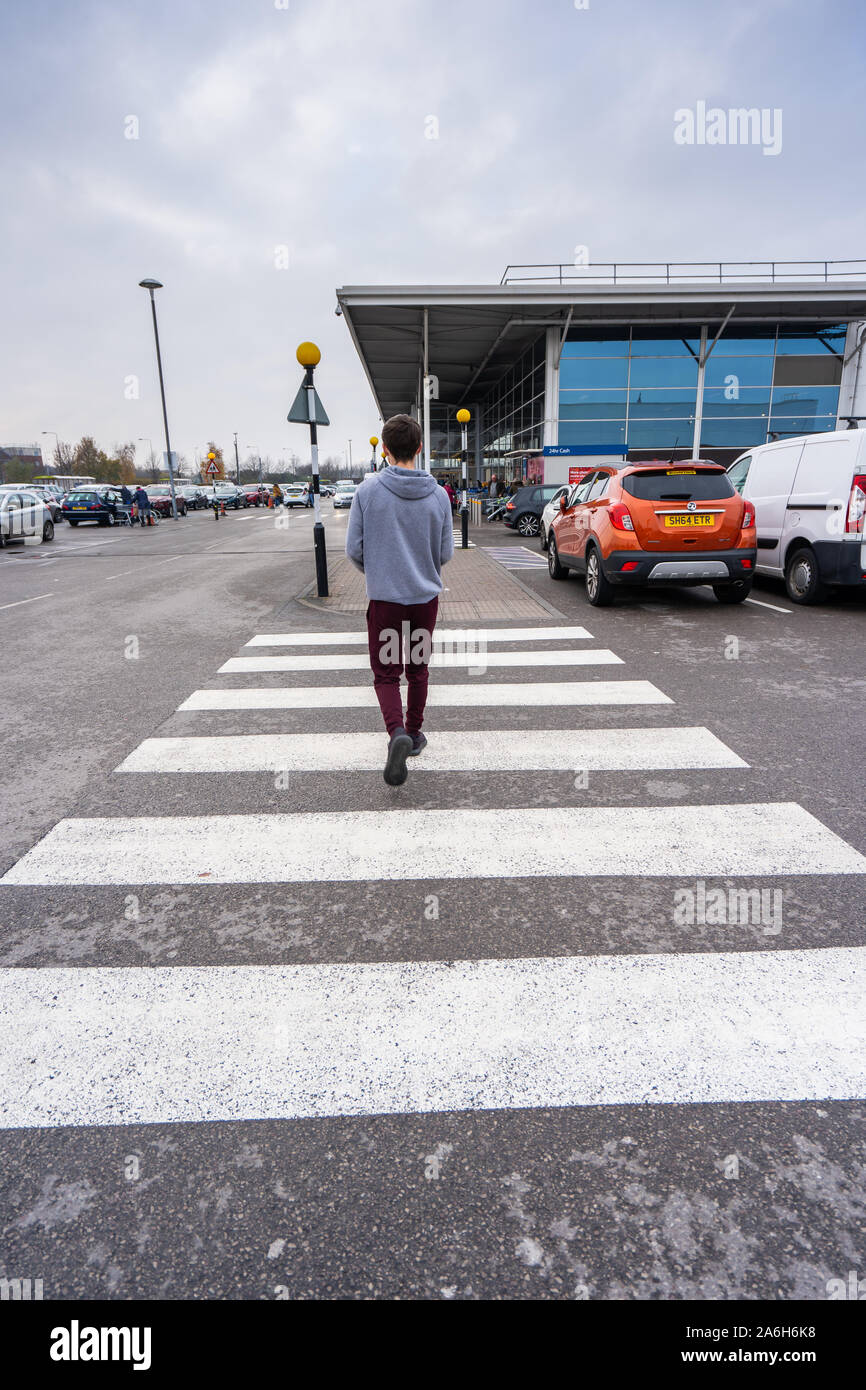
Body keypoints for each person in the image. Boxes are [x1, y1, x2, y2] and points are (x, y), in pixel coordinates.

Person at [346, 413, 453, 787]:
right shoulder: (439, 496)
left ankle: (396, 735)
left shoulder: (367, 492)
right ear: (420, 448)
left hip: (386, 601)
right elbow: (445, 553)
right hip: (424, 600)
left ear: (386, 449)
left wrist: (379, 572)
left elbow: (354, 550)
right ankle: (415, 732)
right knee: (417, 669)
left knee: (386, 673)